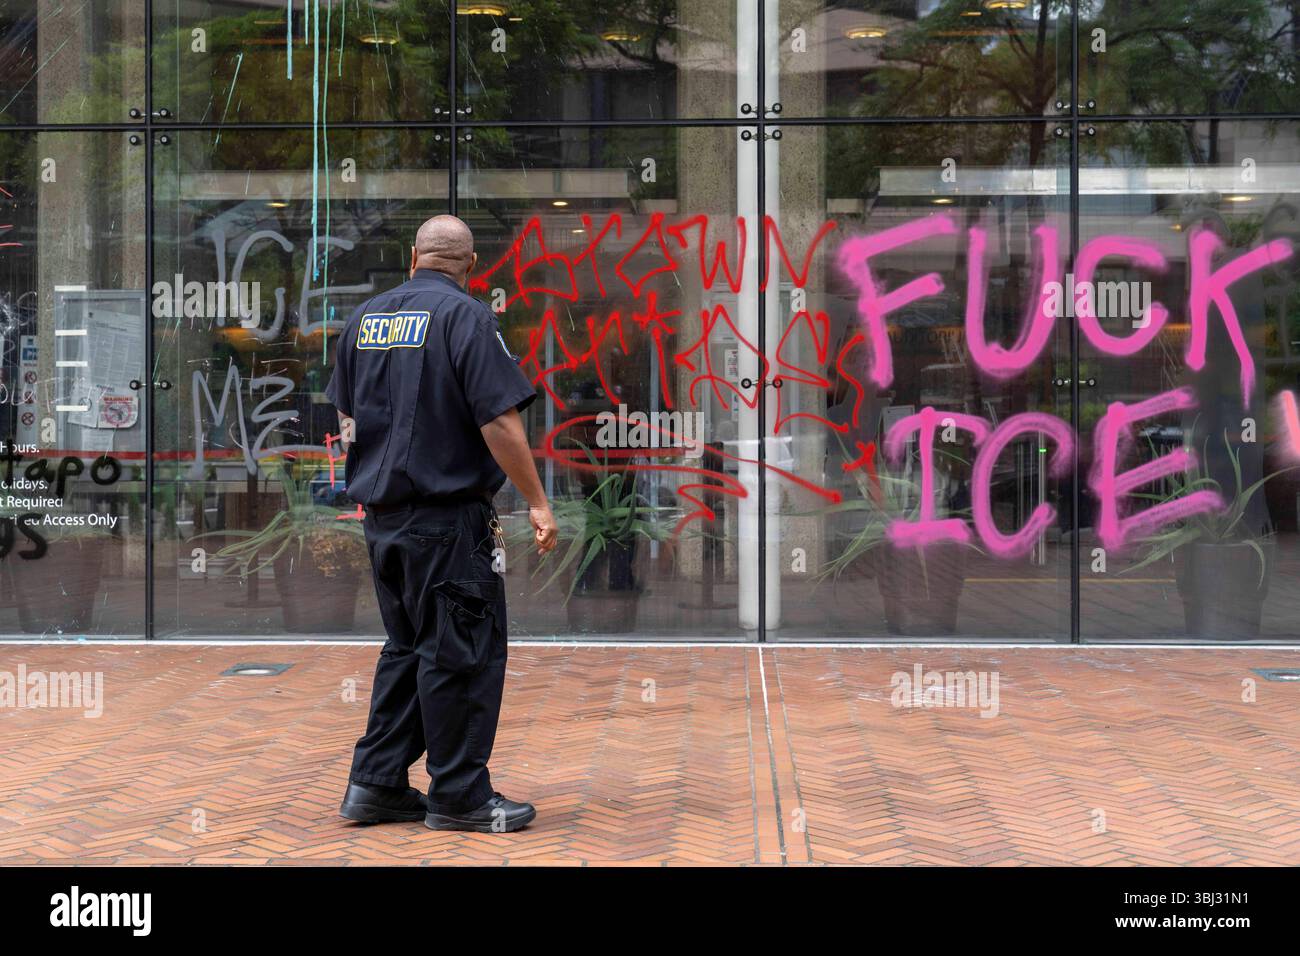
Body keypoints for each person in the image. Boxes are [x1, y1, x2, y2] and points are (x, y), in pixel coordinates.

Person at [326, 214, 558, 833]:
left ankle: (375, 784)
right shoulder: (467, 318)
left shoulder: (364, 319)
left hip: (383, 520)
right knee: (462, 654)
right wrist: (537, 500)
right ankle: (459, 795)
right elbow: (499, 422)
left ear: (413, 256)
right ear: (470, 265)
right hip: (446, 521)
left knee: (410, 648)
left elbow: (349, 410)